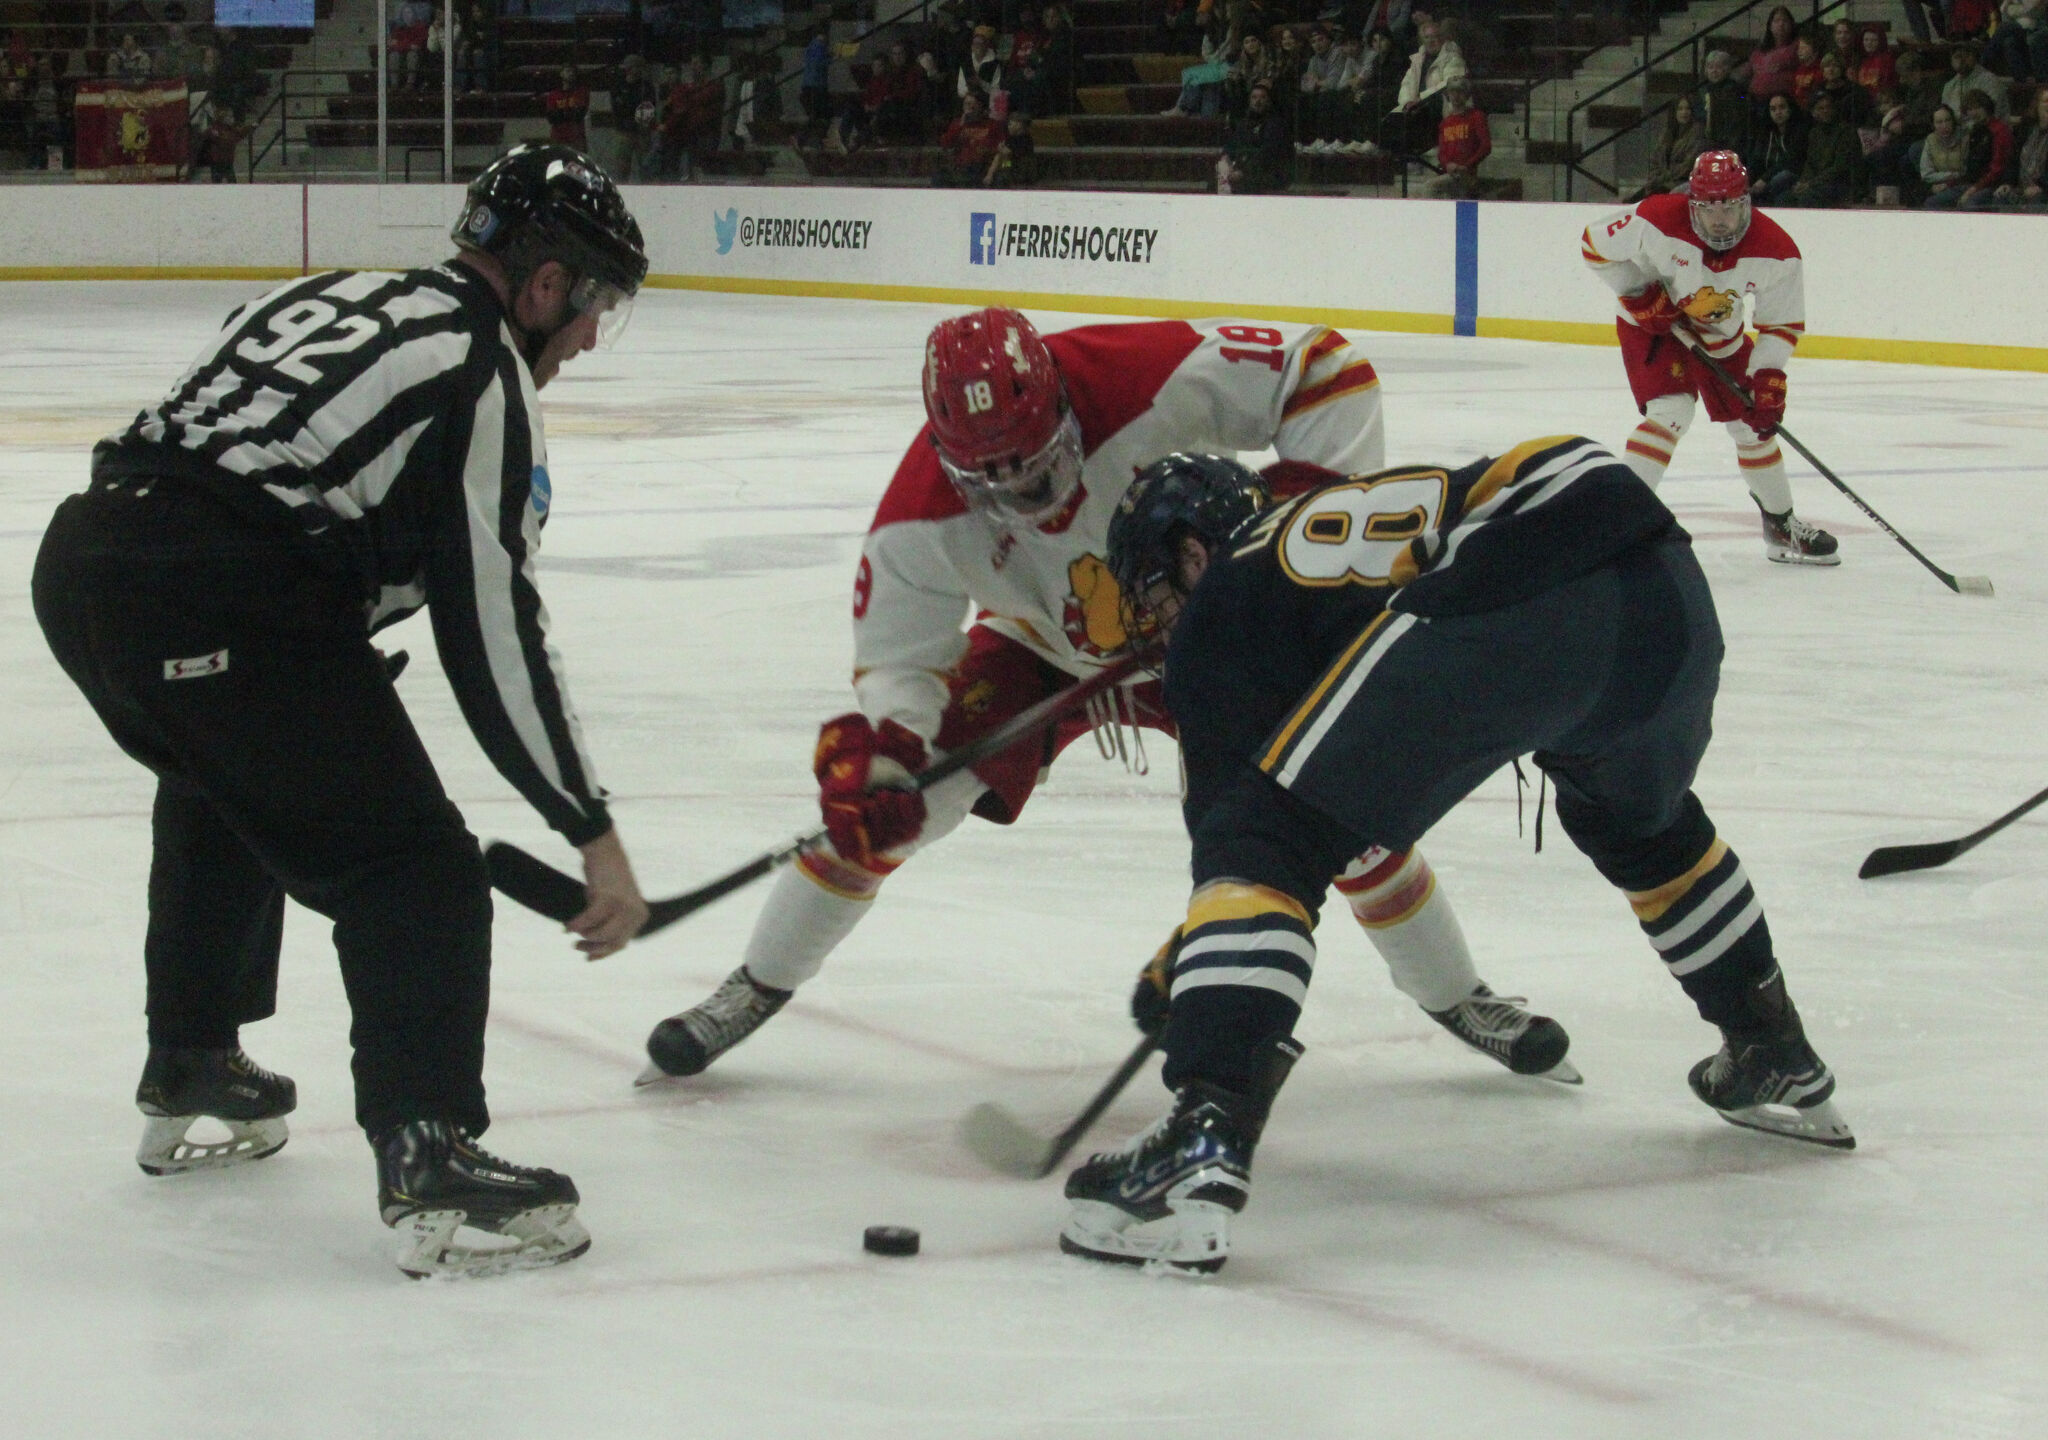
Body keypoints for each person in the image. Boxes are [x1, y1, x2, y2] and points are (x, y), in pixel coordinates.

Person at [639, 307, 1579, 1089]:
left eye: (1035, 461)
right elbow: (900, 667)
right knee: (895, 813)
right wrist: (885, 765)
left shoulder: (1140, 373)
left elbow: (1325, 369)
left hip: (1206, 629)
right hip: (1037, 646)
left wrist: (1294, 540)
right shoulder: (918, 515)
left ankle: (1458, 995)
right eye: (989, 477)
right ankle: (756, 985)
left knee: (1330, 810)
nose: (1020, 490)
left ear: (1059, 399)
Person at [30, 144, 651, 1279]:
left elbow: (241, 445)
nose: (591, 337)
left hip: (82, 563)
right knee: (414, 869)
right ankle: (429, 1153)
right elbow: (491, 624)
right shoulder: (481, 369)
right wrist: (587, 827)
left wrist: (315, 645)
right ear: (546, 282)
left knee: (220, 778)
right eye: (593, 302)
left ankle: (193, 1056)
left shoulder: (327, 292)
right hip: (215, 587)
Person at [1058, 450, 1853, 1272]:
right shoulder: (1321, 548)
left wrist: (1198, 1000)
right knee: (1640, 827)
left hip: (1522, 585)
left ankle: (1205, 1129)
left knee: (1264, 837)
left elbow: (1242, 853)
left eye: (1154, 589)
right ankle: (1770, 1047)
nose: (1157, 619)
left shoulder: (1227, 596)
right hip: (1662, 580)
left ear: (1193, 551)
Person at [1582, 150, 1839, 565]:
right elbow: (1594, 244)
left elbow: (1781, 326)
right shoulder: (1656, 217)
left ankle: (1780, 526)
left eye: (1731, 207)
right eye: (1709, 207)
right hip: (1654, 324)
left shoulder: (1778, 250)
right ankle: (1615, 527)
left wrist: (1768, 375)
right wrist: (1639, 291)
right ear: (1692, 203)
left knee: (1753, 427)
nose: (1720, 219)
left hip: (1720, 331)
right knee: (1671, 412)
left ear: (1747, 203)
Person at [1934, 87, 2015, 206]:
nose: (1974, 112)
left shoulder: (1999, 131)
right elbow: (1970, 170)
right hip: (1972, 184)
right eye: (1970, 109)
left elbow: (1996, 170)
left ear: (1986, 107)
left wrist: (1973, 190)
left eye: (1977, 107)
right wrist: (1948, 184)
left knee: (1969, 205)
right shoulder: (1975, 131)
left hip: (1991, 186)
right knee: (1932, 202)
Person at [1785, 88, 1862, 204]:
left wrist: (1810, 184)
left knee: (1807, 197)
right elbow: (1810, 164)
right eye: (1820, 108)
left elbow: (1840, 167)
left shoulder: (1846, 131)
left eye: (1828, 107)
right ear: (1813, 112)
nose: (1825, 111)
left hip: (1840, 184)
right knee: (1786, 197)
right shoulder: (1814, 133)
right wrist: (1803, 182)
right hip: (1818, 183)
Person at [1220, 77, 1294, 193]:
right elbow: (1231, 145)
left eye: (1262, 97)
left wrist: (1243, 171)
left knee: (1243, 184)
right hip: (1242, 170)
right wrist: (1226, 159)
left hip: (1267, 172)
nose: (1257, 101)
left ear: (1269, 101)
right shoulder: (1244, 123)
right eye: (1254, 97)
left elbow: (1267, 154)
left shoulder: (1276, 124)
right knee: (1215, 180)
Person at [1422, 74, 1488, 196]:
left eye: (1460, 91)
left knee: (1429, 187)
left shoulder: (1477, 116)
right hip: (1450, 173)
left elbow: (1486, 146)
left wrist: (1467, 166)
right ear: (1448, 95)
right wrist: (1447, 164)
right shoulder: (1445, 122)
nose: (1456, 95)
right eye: (1452, 91)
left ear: (1467, 95)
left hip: (1467, 175)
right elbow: (1442, 152)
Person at [1635, 93, 1705, 198]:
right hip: (1661, 182)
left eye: (1687, 109)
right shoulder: (1666, 134)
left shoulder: (1697, 134)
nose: (1684, 112)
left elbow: (1687, 166)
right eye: (1680, 109)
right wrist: (1655, 178)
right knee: (1632, 201)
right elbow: (1655, 160)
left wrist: (1661, 178)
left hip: (1680, 183)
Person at [1747, 91, 1808, 202]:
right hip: (1768, 175)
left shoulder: (1800, 131)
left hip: (1793, 174)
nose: (1778, 112)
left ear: (1790, 109)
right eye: (1773, 109)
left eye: (1782, 107)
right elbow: (1757, 159)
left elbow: (1788, 160)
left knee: (1780, 179)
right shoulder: (1766, 132)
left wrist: (1764, 180)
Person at [933, 87, 1002, 183]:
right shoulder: (957, 123)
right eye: (966, 104)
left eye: (973, 104)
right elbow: (946, 144)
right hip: (961, 167)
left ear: (981, 106)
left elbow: (999, 150)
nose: (969, 107)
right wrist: (960, 125)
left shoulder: (992, 125)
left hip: (983, 166)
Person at [1737, 6, 1799, 107]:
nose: (1781, 24)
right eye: (1776, 21)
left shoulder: (1796, 46)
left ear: (1791, 25)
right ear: (1770, 26)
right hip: (1755, 101)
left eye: (1785, 21)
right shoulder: (1759, 51)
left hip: (1784, 102)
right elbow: (1745, 74)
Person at [1695, 50, 1752, 159]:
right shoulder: (1703, 91)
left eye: (1718, 67)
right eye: (1710, 67)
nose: (1714, 71)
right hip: (1708, 141)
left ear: (1727, 69)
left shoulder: (1737, 91)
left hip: (1730, 143)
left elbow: (1737, 121)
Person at [1941, 40, 2009, 118]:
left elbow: (1991, 115)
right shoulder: (1949, 86)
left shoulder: (1990, 81)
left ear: (1974, 58)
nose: (1962, 60)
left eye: (1966, 55)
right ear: (1951, 62)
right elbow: (1945, 117)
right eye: (1957, 56)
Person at [1918, 102, 1970, 202]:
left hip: (1961, 184)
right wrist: (1948, 176)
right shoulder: (1930, 140)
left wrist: (1948, 182)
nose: (1944, 125)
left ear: (1953, 121)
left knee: (1932, 202)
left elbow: (1965, 171)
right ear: (1933, 124)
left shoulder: (1965, 137)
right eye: (1939, 122)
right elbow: (1926, 174)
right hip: (1938, 184)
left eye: (1948, 120)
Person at [1987, 0, 2048, 82]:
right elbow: (2003, 10)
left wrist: (2013, 9)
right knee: (2009, 41)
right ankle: (2022, 80)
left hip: (2036, 27)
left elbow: (2033, 10)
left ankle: (1985, 63)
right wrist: (2018, 9)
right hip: (2018, 28)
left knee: (2005, 28)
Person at [543, 65, 590, 150]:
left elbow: (579, 114)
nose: (571, 74)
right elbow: (551, 117)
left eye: (573, 72)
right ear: (561, 74)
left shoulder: (581, 92)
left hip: (576, 138)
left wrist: (561, 113)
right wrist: (568, 112)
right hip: (558, 138)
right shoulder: (553, 95)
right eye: (568, 71)